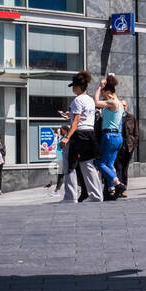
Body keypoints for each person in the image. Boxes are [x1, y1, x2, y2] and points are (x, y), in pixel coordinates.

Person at [62, 70, 104, 203]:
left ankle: (70, 196)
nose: (72, 89)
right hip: (89, 135)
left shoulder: (77, 100)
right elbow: (83, 118)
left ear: (78, 87)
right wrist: (71, 116)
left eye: (73, 87)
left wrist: (67, 137)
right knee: (88, 165)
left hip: (78, 135)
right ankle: (97, 196)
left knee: (70, 165)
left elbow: (76, 121)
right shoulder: (90, 100)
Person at [94, 74, 127, 200]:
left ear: (107, 91)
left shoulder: (112, 102)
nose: (102, 94)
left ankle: (117, 184)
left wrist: (98, 87)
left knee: (100, 163)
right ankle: (111, 189)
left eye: (103, 92)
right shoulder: (116, 103)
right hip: (116, 136)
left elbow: (96, 102)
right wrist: (109, 80)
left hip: (110, 136)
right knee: (109, 164)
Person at [115, 97, 138, 196]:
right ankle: (119, 188)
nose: (123, 107)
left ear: (127, 106)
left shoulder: (131, 117)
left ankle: (124, 188)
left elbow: (136, 132)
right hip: (117, 146)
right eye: (121, 105)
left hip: (128, 146)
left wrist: (134, 144)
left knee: (124, 169)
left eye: (124, 105)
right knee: (118, 168)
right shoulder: (115, 116)